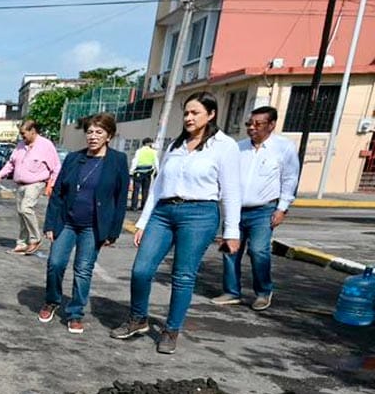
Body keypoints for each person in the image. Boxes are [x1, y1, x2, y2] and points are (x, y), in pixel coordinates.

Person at [110, 91, 242, 354]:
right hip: (164, 212)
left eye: (195, 113)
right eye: (186, 113)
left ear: (211, 114)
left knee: (182, 276)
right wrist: (144, 221)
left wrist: (231, 231)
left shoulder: (225, 146)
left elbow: (231, 191)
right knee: (141, 270)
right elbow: (158, 186)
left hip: (200, 214)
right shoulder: (175, 145)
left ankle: (171, 329)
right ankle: (138, 319)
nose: (189, 118)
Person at [37, 113, 129, 334]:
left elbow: (121, 198)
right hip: (66, 222)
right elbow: (58, 192)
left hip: (93, 226)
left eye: (99, 132)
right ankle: (52, 300)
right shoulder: (73, 159)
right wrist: (50, 224)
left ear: (109, 135)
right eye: (89, 132)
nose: (93, 136)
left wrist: (113, 231)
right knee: (55, 263)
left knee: (83, 270)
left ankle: (76, 312)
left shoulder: (117, 161)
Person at [211, 106, 300, 311]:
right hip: (236, 209)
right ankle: (231, 291)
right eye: (249, 124)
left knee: (258, 250)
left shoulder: (283, 148)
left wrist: (282, 208)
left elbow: (289, 179)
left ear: (271, 125)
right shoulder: (238, 147)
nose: (252, 128)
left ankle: (263, 292)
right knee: (230, 250)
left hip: (264, 209)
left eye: (257, 124)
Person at [0, 120, 61, 255]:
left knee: (26, 208)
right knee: (21, 214)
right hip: (20, 185)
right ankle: (22, 243)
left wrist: (52, 184)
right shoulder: (20, 146)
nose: (22, 137)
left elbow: (56, 167)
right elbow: (11, 164)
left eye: (24, 133)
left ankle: (35, 239)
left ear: (33, 131)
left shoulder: (46, 145)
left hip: (36, 183)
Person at [129, 137, 158, 211]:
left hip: (138, 172)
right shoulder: (153, 152)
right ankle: (143, 206)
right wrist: (157, 171)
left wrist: (131, 171)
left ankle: (134, 206)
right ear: (149, 143)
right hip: (148, 173)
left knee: (136, 190)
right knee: (145, 190)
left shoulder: (139, 151)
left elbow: (135, 161)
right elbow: (156, 162)